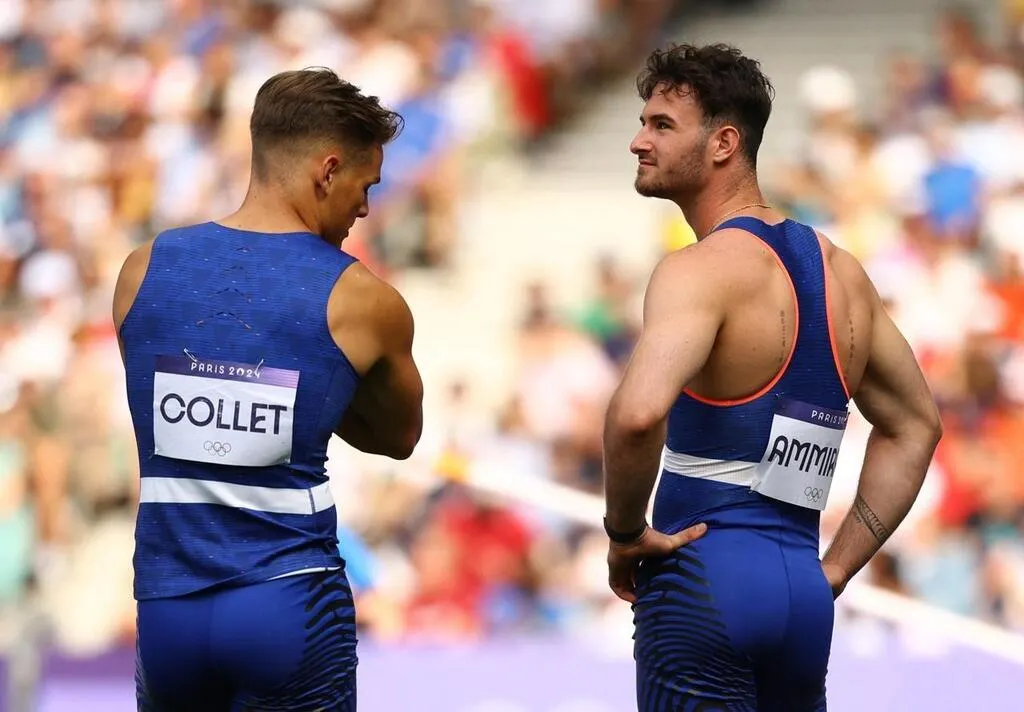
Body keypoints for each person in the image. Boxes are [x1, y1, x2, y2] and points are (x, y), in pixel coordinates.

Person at [601, 44, 943, 711]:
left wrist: (622, 535)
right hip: (803, 591)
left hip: (703, 577)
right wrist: (837, 567)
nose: (638, 141)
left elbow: (637, 414)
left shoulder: (700, 269)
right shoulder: (843, 273)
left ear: (724, 142)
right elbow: (917, 427)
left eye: (662, 125)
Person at [113, 68, 424, 711]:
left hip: (168, 607)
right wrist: (311, 384)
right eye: (365, 186)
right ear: (328, 170)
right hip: (288, 601)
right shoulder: (363, 298)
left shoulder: (142, 269)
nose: (364, 208)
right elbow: (398, 438)